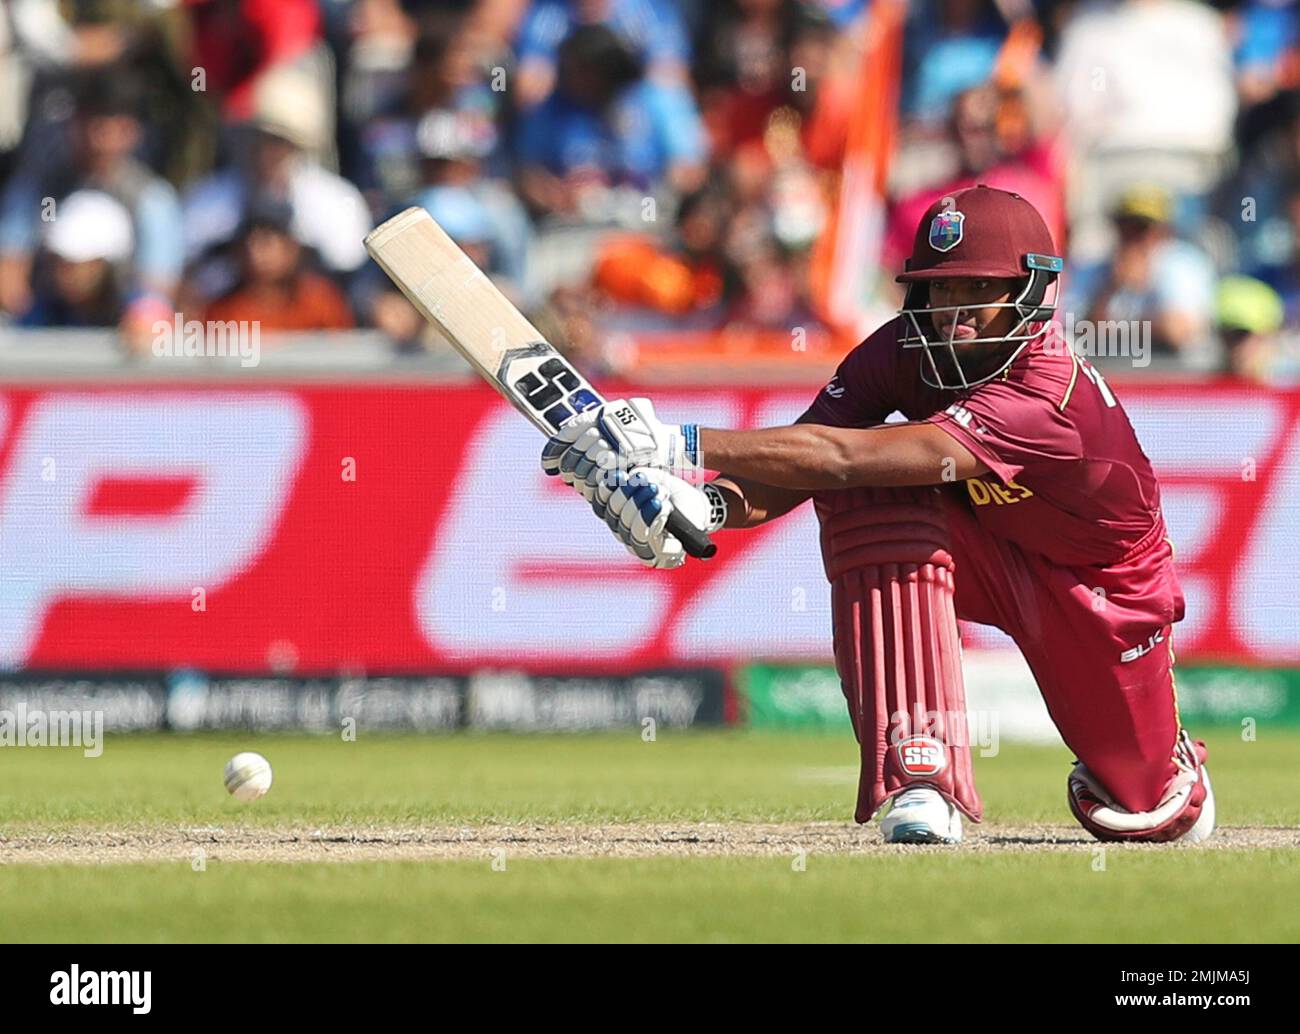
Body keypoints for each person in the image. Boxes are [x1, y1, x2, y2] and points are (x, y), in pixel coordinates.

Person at [541, 185, 1215, 846]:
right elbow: (807, 460)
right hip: (984, 539)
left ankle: (1166, 763)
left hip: (1101, 591)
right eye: (940, 289)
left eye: (976, 289)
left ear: (1031, 293)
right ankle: (920, 773)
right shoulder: (900, 351)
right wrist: (708, 503)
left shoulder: (1044, 391)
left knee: (1142, 808)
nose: (954, 311)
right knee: (873, 495)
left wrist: (677, 444)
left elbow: (841, 454)